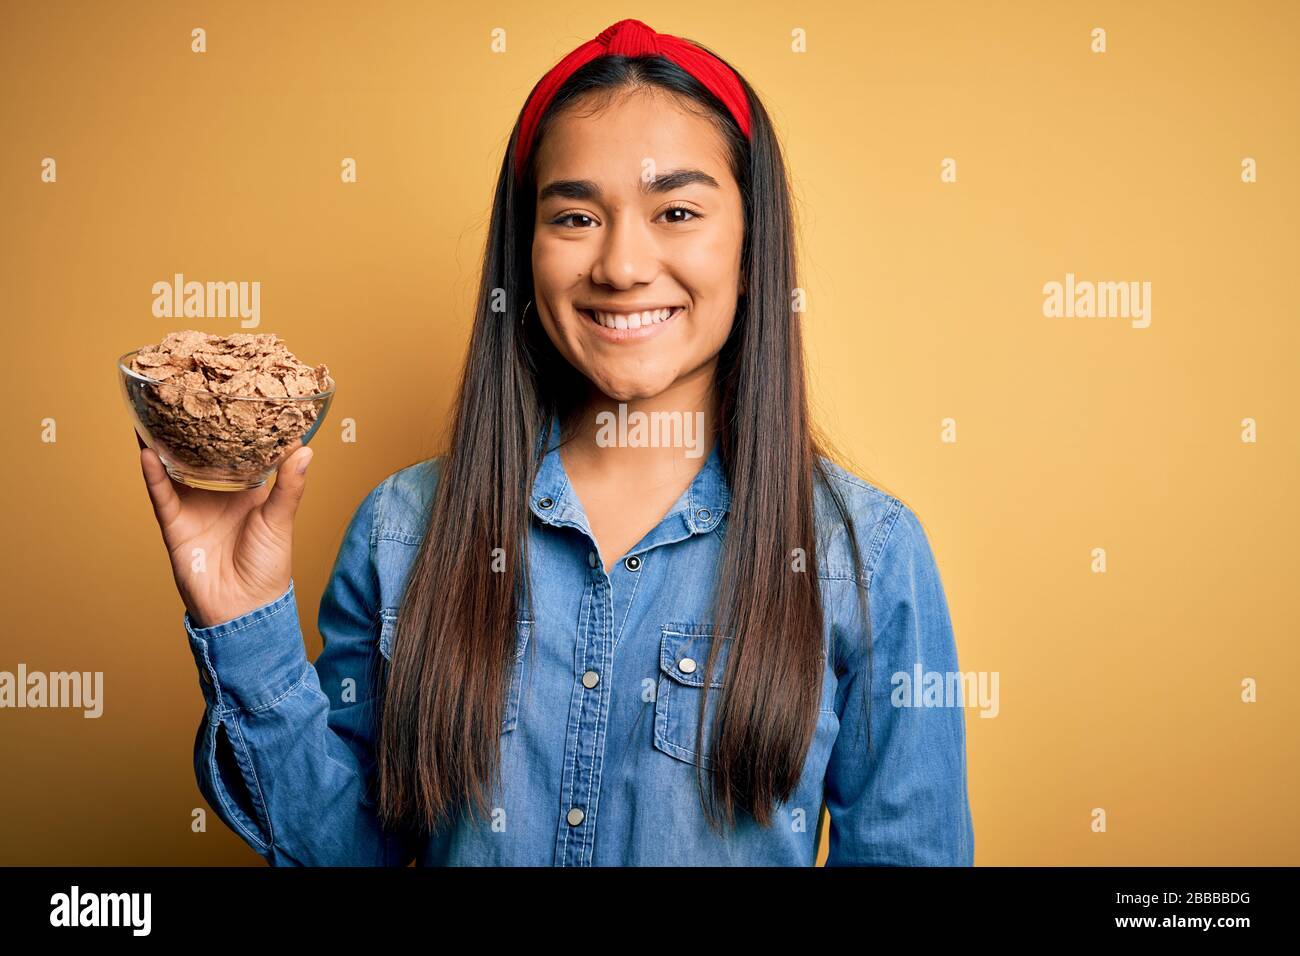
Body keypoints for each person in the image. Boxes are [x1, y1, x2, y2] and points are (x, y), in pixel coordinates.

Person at [139, 17, 975, 866]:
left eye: (676, 210)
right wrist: (246, 626)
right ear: (525, 255)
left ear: (753, 245)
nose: (620, 264)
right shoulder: (402, 531)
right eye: (575, 217)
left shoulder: (867, 557)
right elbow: (346, 853)